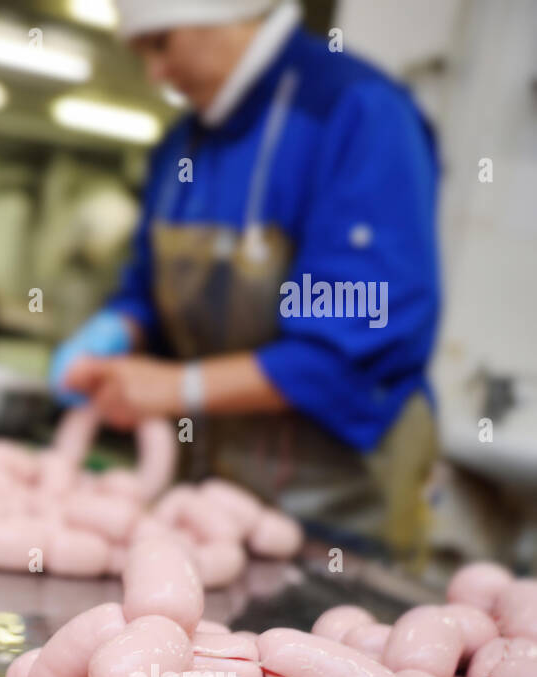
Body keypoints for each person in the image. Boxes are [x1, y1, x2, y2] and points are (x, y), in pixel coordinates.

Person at [51, 0, 440, 556]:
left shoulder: (355, 115)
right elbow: (148, 289)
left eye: (161, 44)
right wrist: (118, 328)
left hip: (334, 514)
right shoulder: (182, 145)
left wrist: (177, 387)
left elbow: (348, 346)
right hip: (206, 503)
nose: (153, 74)